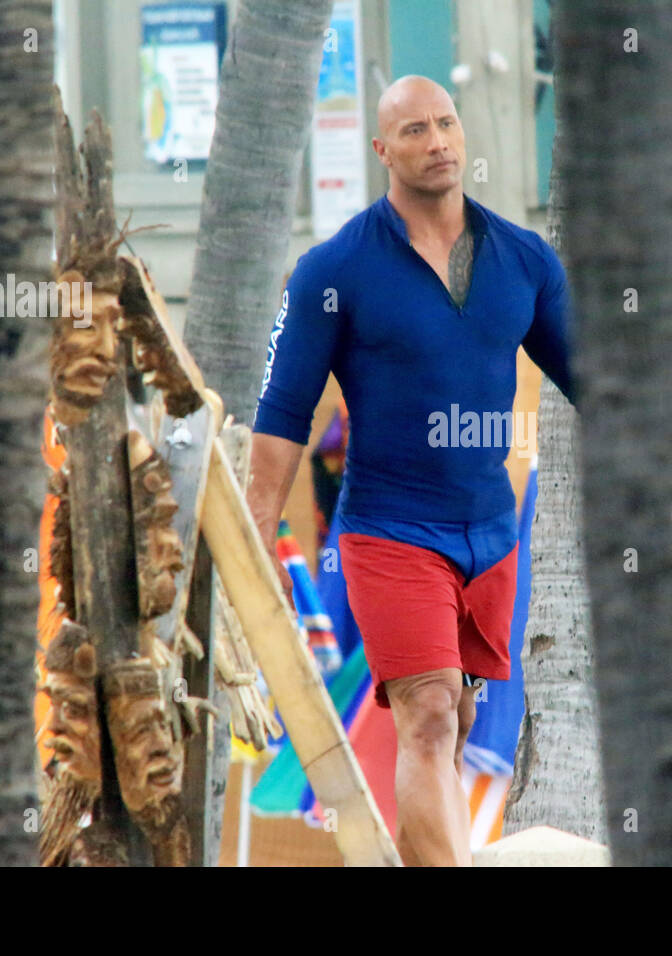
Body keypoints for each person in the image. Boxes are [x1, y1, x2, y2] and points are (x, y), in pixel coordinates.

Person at [249, 75, 575, 866]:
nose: (438, 142)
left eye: (446, 125)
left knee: (455, 720)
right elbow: (284, 416)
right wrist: (253, 551)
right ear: (382, 150)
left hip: (490, 533)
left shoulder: (524, 260)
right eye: (416, 130)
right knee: (425, 712)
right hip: (390, 529)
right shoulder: (333, 270)